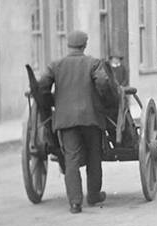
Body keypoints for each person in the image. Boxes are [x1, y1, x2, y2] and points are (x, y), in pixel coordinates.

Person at [36, 30, 113, 213]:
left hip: (66, 120)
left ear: (68, 45)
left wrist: (53, 101)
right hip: (90, 118)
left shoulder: (56, 65)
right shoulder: (93, 63)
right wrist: (102, 99)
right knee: (94, 155)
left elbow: (42, 86)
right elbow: (103, 82)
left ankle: (75, 202)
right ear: (84, 45)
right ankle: (93, 195)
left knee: (71, 158)